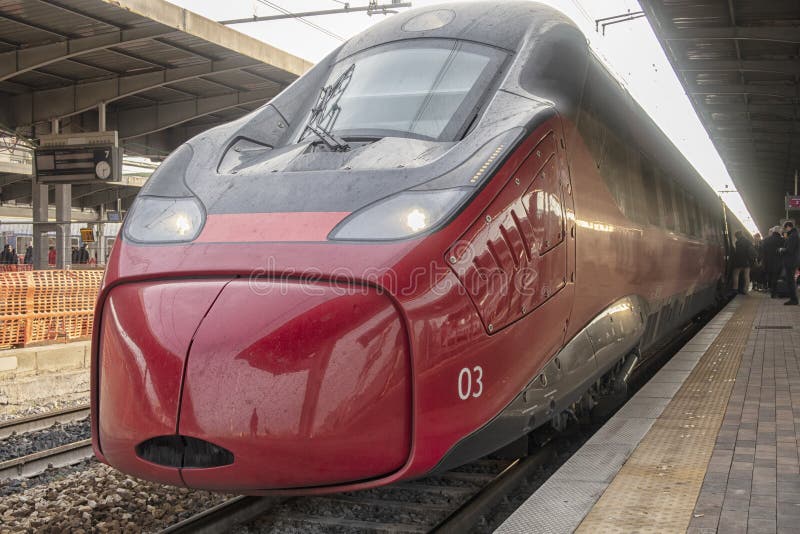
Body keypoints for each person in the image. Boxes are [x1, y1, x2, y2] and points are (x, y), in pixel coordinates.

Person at [731, 231, 757, 295]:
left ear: (737, 236)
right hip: (747, 261)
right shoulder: (748, 242)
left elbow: (737, 252)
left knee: (736, 274)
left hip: (739, 261)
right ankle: (745, 290)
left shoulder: (738, 242)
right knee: (747, 276)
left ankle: (735, 289)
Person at [780, 221, 799, 305]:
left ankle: (793, 299)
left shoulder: (792, 236)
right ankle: (793, 298)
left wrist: (781, 249)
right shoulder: (794, 235)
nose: (785, 230)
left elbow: (790, 250)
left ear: (788, 226)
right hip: (793, 261)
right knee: (790, 280)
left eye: (785, 228)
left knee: (790, 280)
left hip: (790, 261)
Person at [761, 226, 784, 298]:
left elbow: (763, 252)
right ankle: (774, 292)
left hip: (768, 262)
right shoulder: (782, 240)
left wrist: (763, 261)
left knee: (770, 276)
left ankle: (771, 290)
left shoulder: (766, 240)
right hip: (778, 262)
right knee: (776, 277)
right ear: (779, 232)